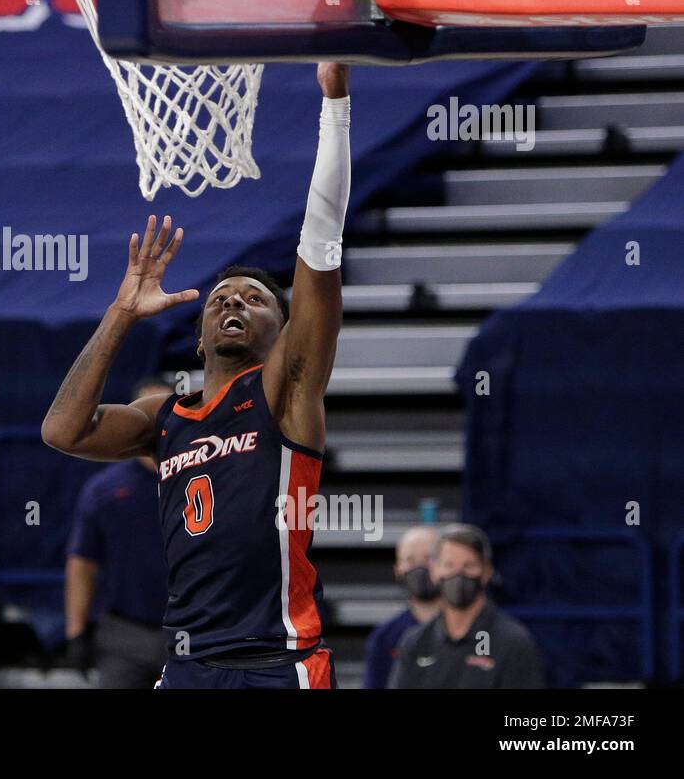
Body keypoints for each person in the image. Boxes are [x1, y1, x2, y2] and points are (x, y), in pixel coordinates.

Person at [43, 63, 351, 689]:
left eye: (254, 299)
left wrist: (335, 108)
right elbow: (62, 431)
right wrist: (120, 314)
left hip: (277, 663)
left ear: (282, 331)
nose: (233, 303)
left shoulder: (282, 392)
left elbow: (321, 246)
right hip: (188, 666)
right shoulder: (167, 416)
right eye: (220, 299)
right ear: (202, 334)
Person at [64, 377, 171, 688]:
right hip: (125, 634)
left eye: (164, 412)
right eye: (148, 414)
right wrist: (76, 633)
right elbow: (82, 562)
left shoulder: (202, 478)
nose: (157, 423)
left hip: (192, 634)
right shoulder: (105, 490)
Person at [389, 523, 545, 689]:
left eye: (468, 566)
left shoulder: (513, 642)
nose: (458, 574)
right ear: (434, 571)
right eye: (449, 565)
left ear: (486, 573)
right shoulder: (415, 642)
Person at [363, 525, 441, 689]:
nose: (420, 567)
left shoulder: (467, 629)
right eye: (410, 560)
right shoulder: (384, 637)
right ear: (397, 569)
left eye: (428, 558)